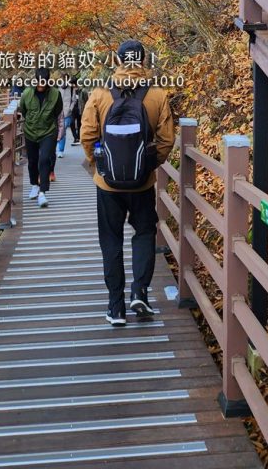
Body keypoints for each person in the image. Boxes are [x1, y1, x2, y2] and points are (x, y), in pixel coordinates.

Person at [81, 39, 176, 326]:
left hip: (107, 185)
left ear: (118, 60)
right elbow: (167, 140)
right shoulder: (157, 94)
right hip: (143, 184)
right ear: (143, 61)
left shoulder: (100, 92)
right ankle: (140, 292)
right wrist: (148, 165)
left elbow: (87, 134)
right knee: (144, 233)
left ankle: (116, 308)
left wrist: (100, 165)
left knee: (111, 240)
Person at [19, 74, 64, 208]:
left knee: (44, 159)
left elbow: (58, 111)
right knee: (32, 160)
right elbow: (24, 110)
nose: (41, 86)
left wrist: (55, 128)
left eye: (43, 83)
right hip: (30, 131)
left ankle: (42, 193)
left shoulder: (55, 94)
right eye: (39, 83)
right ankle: (34, 184)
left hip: (48, 131)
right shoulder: (27, 93)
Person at [57, 79, 79, 158]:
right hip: (57, 113)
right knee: (57, 131)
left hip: (67, 114)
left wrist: (70, 109)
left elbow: (74, 101)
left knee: (63, 130)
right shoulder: (57, 88)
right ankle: (56, 147)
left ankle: (60, 150)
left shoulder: (71, 89)